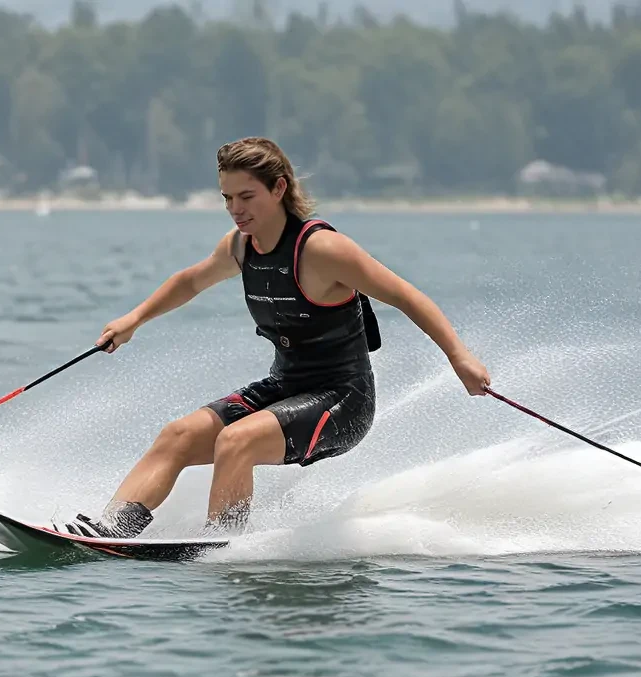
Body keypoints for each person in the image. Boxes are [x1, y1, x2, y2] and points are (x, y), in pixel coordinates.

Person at [61, 137, 490, 539]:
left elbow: (406, 296)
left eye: (246, 197)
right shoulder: (241, 246)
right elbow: (191, 281)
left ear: (279, 188)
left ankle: (222, 544)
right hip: (285, 386)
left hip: (343, 399)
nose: (235, 209)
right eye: (227, 198)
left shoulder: (322, 249)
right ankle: (114, 529)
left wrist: (459, 357)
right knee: (178, 435)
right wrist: (133, 319)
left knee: (237, 440)